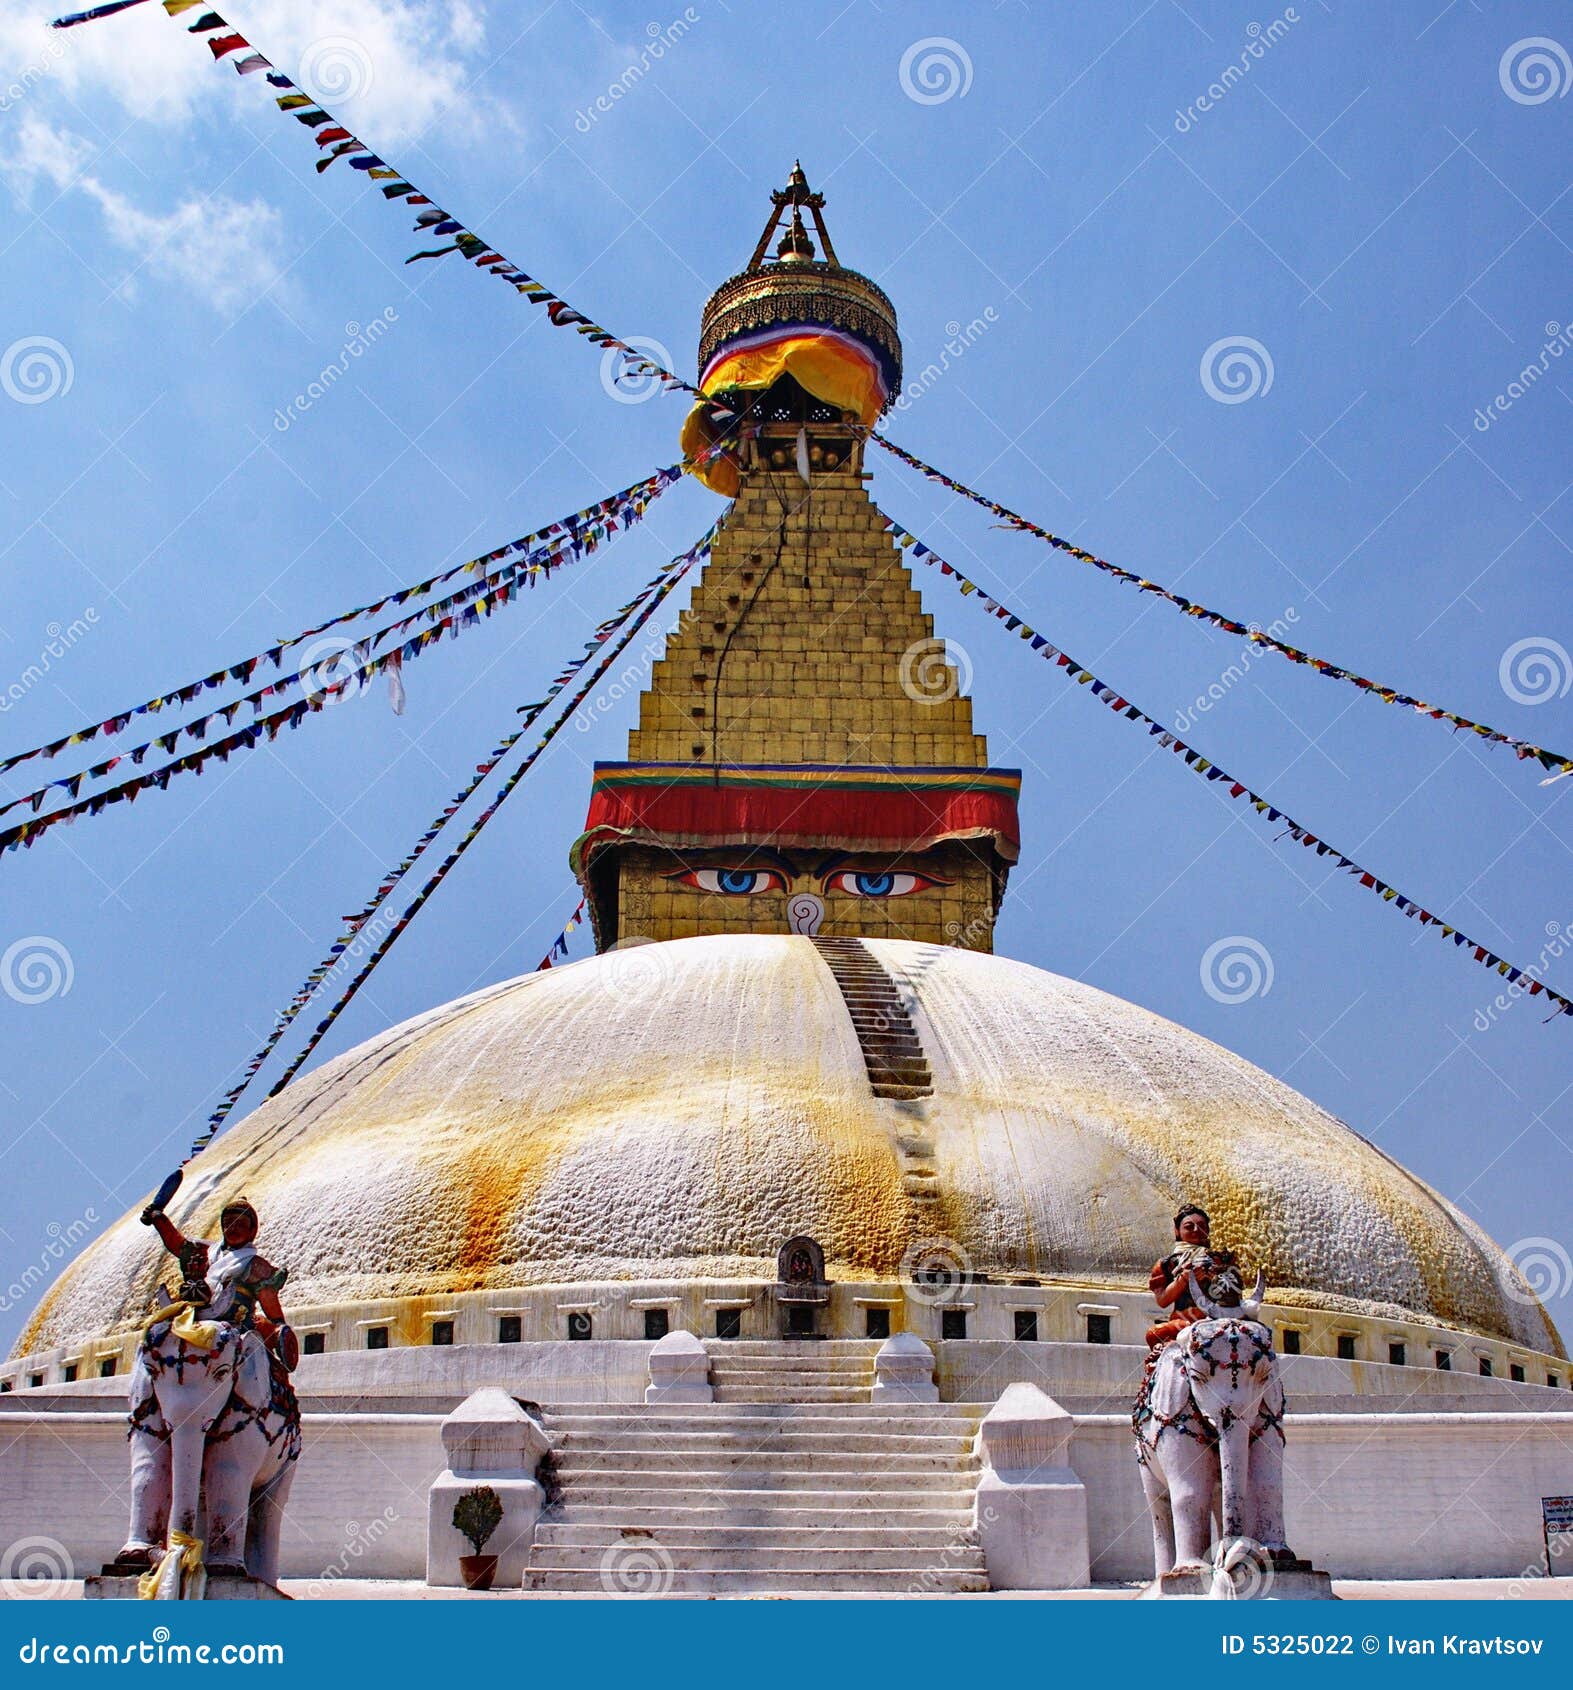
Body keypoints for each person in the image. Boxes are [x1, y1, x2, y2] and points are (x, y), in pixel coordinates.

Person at [139, 1196, 297, 1370]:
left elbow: (272, 1308)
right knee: (157, 1337)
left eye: (240, 1224)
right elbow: (178, 1244)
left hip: (237, 1329)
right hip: (192, 1320)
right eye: (229, 1223)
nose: (233, 1228)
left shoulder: (255, 1266)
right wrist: (158, 1218)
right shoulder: (206, 1253)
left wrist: (276, 1328)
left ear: (252, 1231)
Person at [1145, 1203, 1219, 1350]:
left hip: (1215, 1321)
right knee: (1155, 1334)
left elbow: (1235, 1298)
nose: (1196, 1230)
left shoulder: (1219, 1260)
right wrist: (1184, 1279)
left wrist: (1215, 1280)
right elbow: (1163, 1300)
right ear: (1177, 1231)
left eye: (1201, 1226)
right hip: (1183, 1321)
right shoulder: (1166, 1264)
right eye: (1189, 1226)